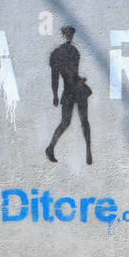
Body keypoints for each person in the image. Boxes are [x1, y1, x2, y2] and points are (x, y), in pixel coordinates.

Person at [45, 25, 93, 164]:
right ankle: (50, 147)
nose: (70, 37)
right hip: (69, 91)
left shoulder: (74, 50)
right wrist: (55, 95)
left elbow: (72, 72)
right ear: (64, 35)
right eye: (68, 34)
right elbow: (55, 76)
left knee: (84, 121)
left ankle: (88, 150)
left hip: (79, 89)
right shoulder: (57, 54)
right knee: (66, 122)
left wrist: (79, 80)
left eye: (71, 34)